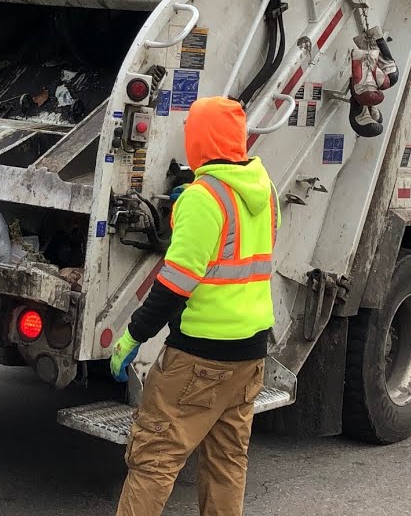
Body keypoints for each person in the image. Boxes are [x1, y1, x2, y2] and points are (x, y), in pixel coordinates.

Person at [110, 96, 279, 516]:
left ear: (200, 142)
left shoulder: (204, 199)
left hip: (200, 357)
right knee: (227, 462)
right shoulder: (264, 189)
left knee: (153, 460)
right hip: (251, 354)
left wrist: (133, 335)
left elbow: (174, 284)